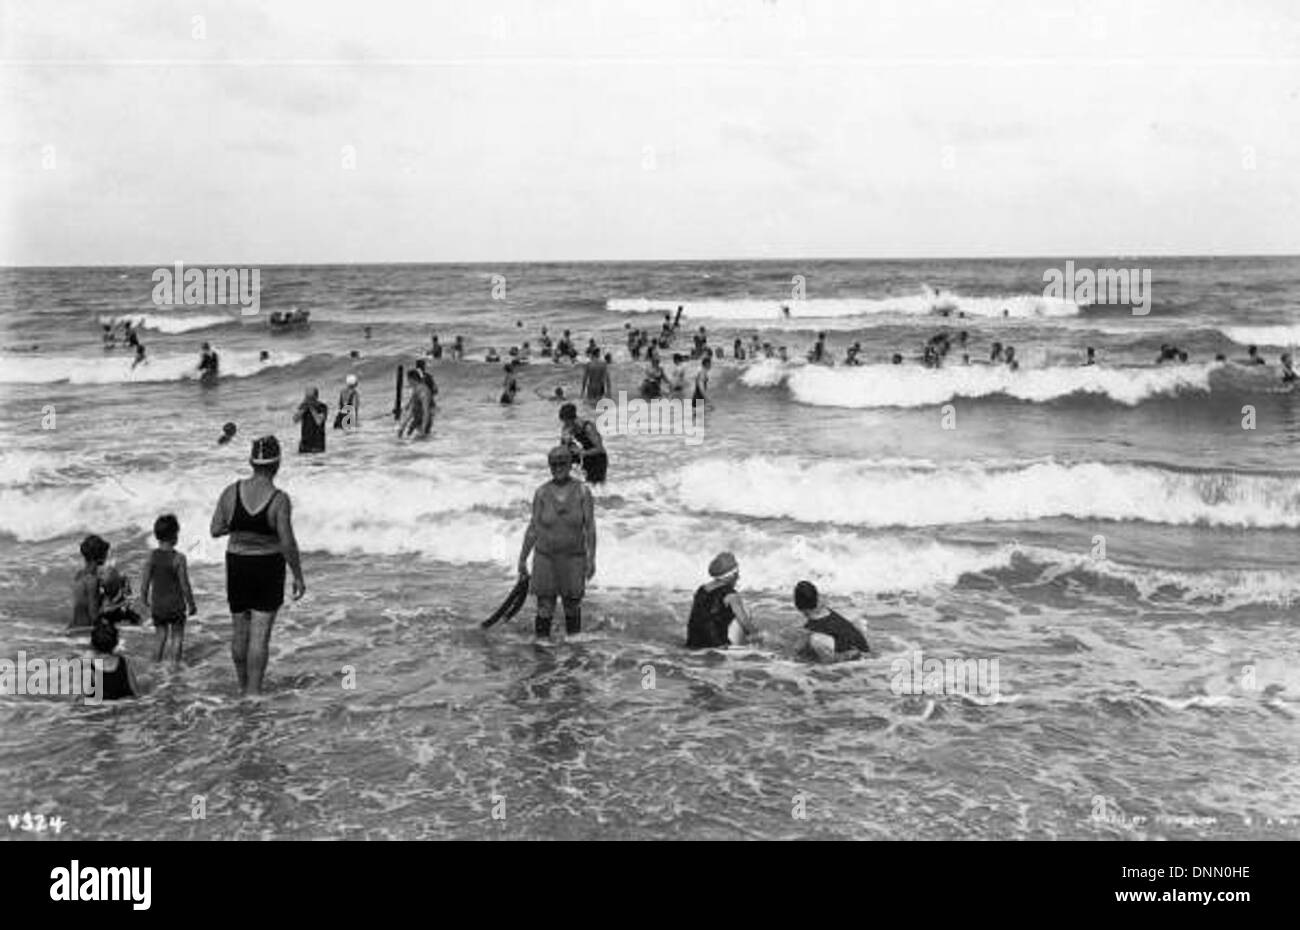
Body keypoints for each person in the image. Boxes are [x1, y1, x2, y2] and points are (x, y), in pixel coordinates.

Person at [209, 435, 305, 696]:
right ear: (277, 464)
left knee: (240, 629)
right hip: (267, 566)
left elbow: (215, 529)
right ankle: (253, 693)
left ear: (252, 462)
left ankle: (242, 687)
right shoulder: (279, 499)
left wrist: (241, 526)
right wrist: (297, 575)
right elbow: (287, 541)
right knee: (260, 634)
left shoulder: (231, 492)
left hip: (237, 564)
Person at [516, 446, 596, 638]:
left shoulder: (583, 492)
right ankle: (543, 653)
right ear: (549, 466)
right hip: (545, 558)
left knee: (572, 606)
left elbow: (590, 528)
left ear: (570, 464)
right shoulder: (542, 493)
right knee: (544, 606)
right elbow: (533, 528)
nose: (558, 467)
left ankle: (574, 653)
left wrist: (591, 559)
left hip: (574, 558)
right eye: (554, 464)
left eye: (562, 463)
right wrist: (522, 559)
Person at [140, 513, 197, 665]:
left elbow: (145, 581)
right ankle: (174, 670)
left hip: (158, 606)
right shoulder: (179, 558)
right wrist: (191, 604)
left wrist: (144, 599)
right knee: (177, 637)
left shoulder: (151, 556)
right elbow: (185, 585)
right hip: (176, 606)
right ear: (174, 536)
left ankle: (155, 666)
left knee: (160, 636)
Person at [685, 552, 760, 648]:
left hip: (692, 644)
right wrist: (759, 637)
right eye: (737, 574)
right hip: (717, 647)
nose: (739, 578)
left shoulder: (701, 589)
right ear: (731, 576)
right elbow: (745, 625)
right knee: (746, 611)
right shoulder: (731, 595)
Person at [793, 581, 869, 662]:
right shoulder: (827, 611)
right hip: (864, 649)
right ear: (817, 598)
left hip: (855, 660)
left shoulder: (814, 634)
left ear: (797, 605)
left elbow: (830, 662)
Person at [88, 621, 141, 701]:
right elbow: (136, 694)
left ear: (92, 644)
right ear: (116, 643)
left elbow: (80, 701)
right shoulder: (125, 662)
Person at [70, 534, 111, 631]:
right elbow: (93, 615)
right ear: (102, 556)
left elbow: (81, 606)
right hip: (85, 630)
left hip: (74, 627)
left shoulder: (79, 575)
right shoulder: (93, 580)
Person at [560, 402, 608, 485]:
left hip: (599, 459)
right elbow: (564, 447)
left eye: (566, 422)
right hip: (587, 458)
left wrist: (582, 452)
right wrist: (565, 441)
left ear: (572, 419)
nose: (565, 424)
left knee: (597, 487)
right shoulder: (569, 428)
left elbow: (599, 449)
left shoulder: (587, 427)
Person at [293, 387, 328, 453]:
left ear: (316, 397)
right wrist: (303, 409)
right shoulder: (303, 406)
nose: (308, 400)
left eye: (311, 398)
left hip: (317, 445)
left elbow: (319, 421)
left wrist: (311, 408)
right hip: (304, 444)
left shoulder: (322, 407)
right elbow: (295, 420)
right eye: (307, 398)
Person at [399, 369, 432, 437]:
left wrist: (423, 428)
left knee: (419, 442)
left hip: (423, 421)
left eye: (408, 380)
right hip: (416, 420)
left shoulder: (423, 392)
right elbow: (412, 408)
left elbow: (426, 411)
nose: (408, 382)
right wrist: (402, 427)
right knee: (408, 438)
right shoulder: (416, 389)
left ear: (412, 379)